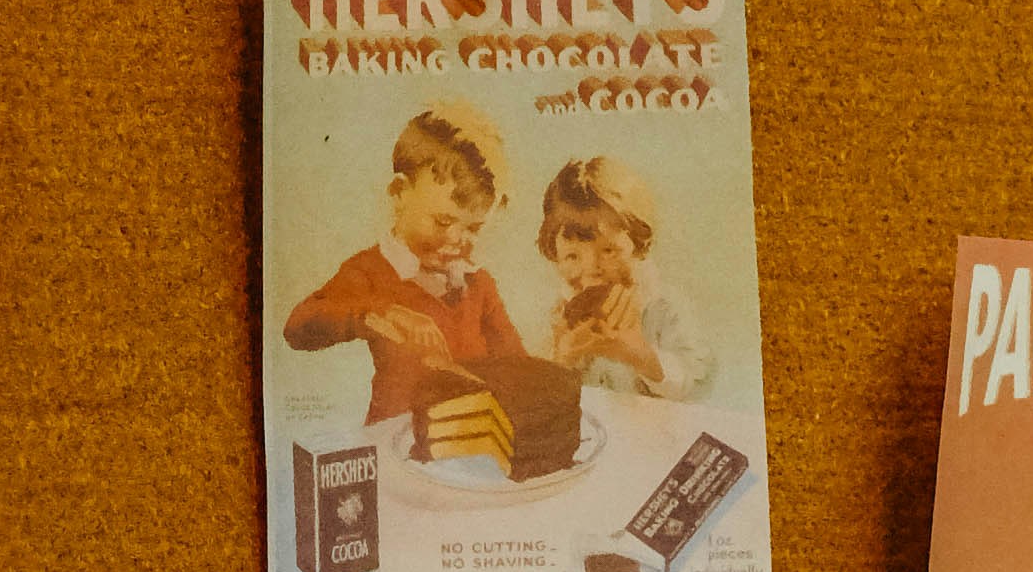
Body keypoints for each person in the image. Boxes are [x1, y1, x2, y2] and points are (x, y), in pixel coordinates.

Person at [282, 105, 523, 425]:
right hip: (398, 442)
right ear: (399, 193)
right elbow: (298, 327)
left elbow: (517, 364)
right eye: (443, 221)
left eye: (473, 228)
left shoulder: (477, 283)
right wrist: (378, 313)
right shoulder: (370, 271)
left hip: (472, 439)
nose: (457, 240)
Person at [537, 154, 712, 400]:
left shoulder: (662, 307)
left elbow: (696, 380)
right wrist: (562, 360)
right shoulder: (560, 319)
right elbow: (547, 403)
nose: (591, 270)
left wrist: (641, 356)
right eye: (572, 257)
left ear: (638, 246)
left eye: (608, 251)